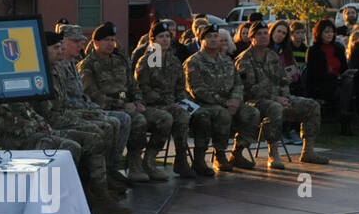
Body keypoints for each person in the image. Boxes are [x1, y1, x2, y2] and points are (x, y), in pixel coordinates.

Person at [0, 55, 130, 214]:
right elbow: (7, 122)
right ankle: (64, 199)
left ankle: (97, 195)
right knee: (71, 147)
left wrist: (40, 123)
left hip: (37, 130)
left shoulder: (12, 81)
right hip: (18, 140)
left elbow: (30, 110)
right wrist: (38, 125)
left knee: (93, 140)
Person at [34, 31, 123, 199]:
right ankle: (93, 189)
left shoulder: (56, 69)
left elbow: (70, 101)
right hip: (52, 121)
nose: (60, 51)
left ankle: (101, 181)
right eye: (56, 48)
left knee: (105, 126)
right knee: (96, 133)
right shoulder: (39, 73)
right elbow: (50, 112)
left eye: (60, 47)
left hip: (64, 115)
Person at [81, 22, 170, 183]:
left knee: (164, 118)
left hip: (131, 106)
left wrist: (138, 101)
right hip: (109, 108)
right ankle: (133, 164)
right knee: (138, 120)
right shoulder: (87, 65)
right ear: (95, 42)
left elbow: (133, 85)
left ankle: (149, 162)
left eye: (113, 40)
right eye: (106, 40)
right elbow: (93, 96)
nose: (111, 43)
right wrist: (122, 105)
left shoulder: (120, 61)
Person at [236, 23, 330, 167]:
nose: (263, 36)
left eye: (265, 33)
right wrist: (276, 98)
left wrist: (285, 97)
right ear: (251, 38)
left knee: (312, 105)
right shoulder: (244, 59)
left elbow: (282, 80)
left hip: (279, 98)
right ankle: (273, 154)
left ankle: (308, 151)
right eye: (259, 34)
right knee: (275, 108)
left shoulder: (272, 55)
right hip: (255, 102)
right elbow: (248, 89)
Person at [57, 23, 131, 187]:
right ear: (62, 42)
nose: (81, 44)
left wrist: (96, 109)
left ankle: (110, 168)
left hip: (86, 108)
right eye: (75, 41)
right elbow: (73, 99)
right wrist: (96, 110)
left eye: (81, 41)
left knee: (122, 119)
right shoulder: (60, 66)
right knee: (111, 123)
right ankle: (99, 176)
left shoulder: (72, 63)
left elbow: (82, 96)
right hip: (72, 113)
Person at [184, 24, 258, 173]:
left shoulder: (226, 60)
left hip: (229, 103)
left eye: (215, 36)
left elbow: (238, 84)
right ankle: (215, 156)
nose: (213, 39)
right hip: (203, 104)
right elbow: (197, 90)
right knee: (221, 114)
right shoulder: (194, 62)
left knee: (252, 112)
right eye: (208, 37)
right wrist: (225, 103)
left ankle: (237, 153)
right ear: (201, 40)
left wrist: (235, 100)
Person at [135, 21, 193, 178]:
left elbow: (180, 88)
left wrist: (183, 103)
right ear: (153, 40)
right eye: (161, 37)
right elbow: (142, 89)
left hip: (171, 104)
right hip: (151, 106)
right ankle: (149, 160)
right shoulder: (146, 61)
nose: (165, 40)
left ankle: (181, 159)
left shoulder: (174, 61)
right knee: (165, 118)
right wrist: (165, 102)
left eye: (168, 36)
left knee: (184, 115)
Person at [304, 19, 353, 134]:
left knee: (348, 82)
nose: (329, 34)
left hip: (339, 82)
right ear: (319, 33)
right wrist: (335, 78)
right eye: (326, 32)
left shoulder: (339, 48)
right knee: (344, 88)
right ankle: (345, 119)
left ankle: (344, 117)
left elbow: (344, 68)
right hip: (321, 85)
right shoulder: (313, 50)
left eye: (331, 32)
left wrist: (346, 74)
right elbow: (314, 74)